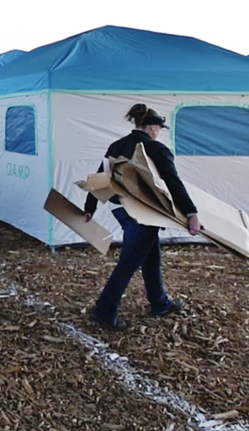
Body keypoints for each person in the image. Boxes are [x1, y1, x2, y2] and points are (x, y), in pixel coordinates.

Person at [83, 104, 200, 331]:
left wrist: (90, 207)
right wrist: (191, 213)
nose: (158, 132)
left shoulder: (117, 145)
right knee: (129, 262)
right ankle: (104, 310)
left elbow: (100, 177)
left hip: (120, 209)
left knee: (150, 253)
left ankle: (159, 302)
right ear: (153, 127)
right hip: (143, 214)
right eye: (159, 129)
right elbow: (173, 183)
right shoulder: (156, 149)